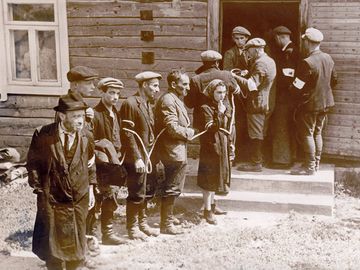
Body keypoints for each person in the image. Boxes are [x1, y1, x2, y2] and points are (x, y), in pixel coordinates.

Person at [27, 92, 96, 270]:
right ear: (62, 116)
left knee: (76, 242)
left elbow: (91, 165)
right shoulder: (44, 134)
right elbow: (33, 163)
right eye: (75, 116)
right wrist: (39, 189)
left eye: (82, 116)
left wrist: (90, 190)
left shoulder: (87, 136)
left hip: (78, 196)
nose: (80, 120)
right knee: (53, 246)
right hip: (52, 197)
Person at [184, 50, 240, 214]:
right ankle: (208, 206)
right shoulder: (227, 75)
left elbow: (189, 103)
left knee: (216, 163)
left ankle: (211, 204)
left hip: (209, 125)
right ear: (217, 62)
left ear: (204, 63)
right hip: (219, 126)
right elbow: (237, 92)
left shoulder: (196, 80)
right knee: (214, 162)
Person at [120, 71, 162, 240]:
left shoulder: (148, 103)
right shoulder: (130, 103)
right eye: (154, 85)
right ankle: (132, 228)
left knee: (145, 190)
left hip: (148, 155)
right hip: (136, 157)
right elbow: (128, 134)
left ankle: (142, 224)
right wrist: (137, 157)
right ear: (144, 85)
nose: (157, 90)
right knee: (136, 191)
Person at [290, 28, 337, 175]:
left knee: (307, 133)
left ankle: (310, 166)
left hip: (310, 104)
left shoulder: (307, 62)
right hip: (325, 103)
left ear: (308, 42)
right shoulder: (328, 58)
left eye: (304, 41)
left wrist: (291, 87)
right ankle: (316, 164)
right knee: (317, 132)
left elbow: (297, 87)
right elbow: (335, 80)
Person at [87, 77, 127, 245]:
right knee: (98, 196)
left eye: (117, 94)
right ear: (102, 92)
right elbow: (90, 140)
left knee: (112, 195)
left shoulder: (116, 113)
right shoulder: (94, 113)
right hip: (101, 162)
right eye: (111, 93)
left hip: (115, 159)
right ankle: (93, 233)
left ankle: (108, 232)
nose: (115, 97)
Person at [154, 69, 195, 234]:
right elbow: (171, 127)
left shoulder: (174, 98)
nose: (188, 88)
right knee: (171, 186)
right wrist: (188, 132)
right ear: (173, 84)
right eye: (184, 84)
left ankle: (168, 217)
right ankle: (166, 224)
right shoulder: (168, 101)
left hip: (177, 149)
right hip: (171, 150)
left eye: (188, 84)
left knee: (174, 185)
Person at [233, 38, 277, 172]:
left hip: (257, 104)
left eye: (249, 50)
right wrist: (246, 74)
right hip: (267, 102)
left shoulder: (261, 64)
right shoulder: (269, 60)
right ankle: (260, 160)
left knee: (255, 134)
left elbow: (252, 85)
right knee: (261, 132)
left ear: (257, 50)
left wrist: (233, 76)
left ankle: (256, 163)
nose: (247, 53)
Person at [197, 79, 231, 225]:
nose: (222, 95)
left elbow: (227, 127)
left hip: (221, 143)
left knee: (217, 175)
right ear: (212, 92)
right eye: (218, 92)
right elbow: (211, 128)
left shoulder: (222, 105)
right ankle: (207, 211)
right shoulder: (205, 108)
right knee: (208, 178)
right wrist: (220, 114)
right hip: (210, 145)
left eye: (224, 92)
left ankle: (213, 205)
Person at [270, 26, 299, 168]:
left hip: (285, 98)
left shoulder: (289, 52)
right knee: (287, 127)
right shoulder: (290, 50)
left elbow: (288, 78)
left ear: (279, 37)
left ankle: (282, 161)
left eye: (275, 39)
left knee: (281, 126)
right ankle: (290, 158)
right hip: (288, 97)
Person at [223, 26, 251, 163]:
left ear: (247, 38)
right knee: (237, 123)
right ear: (233, 39)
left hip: (249, 92)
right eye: (237, 38)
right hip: (236, 93)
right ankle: (236, 156)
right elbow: (228, 74)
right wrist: (242, 73)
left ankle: (247, 155)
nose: (240, 41)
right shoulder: (230, 54)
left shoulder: (251, 52)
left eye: (242, 38)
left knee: (249, 123)